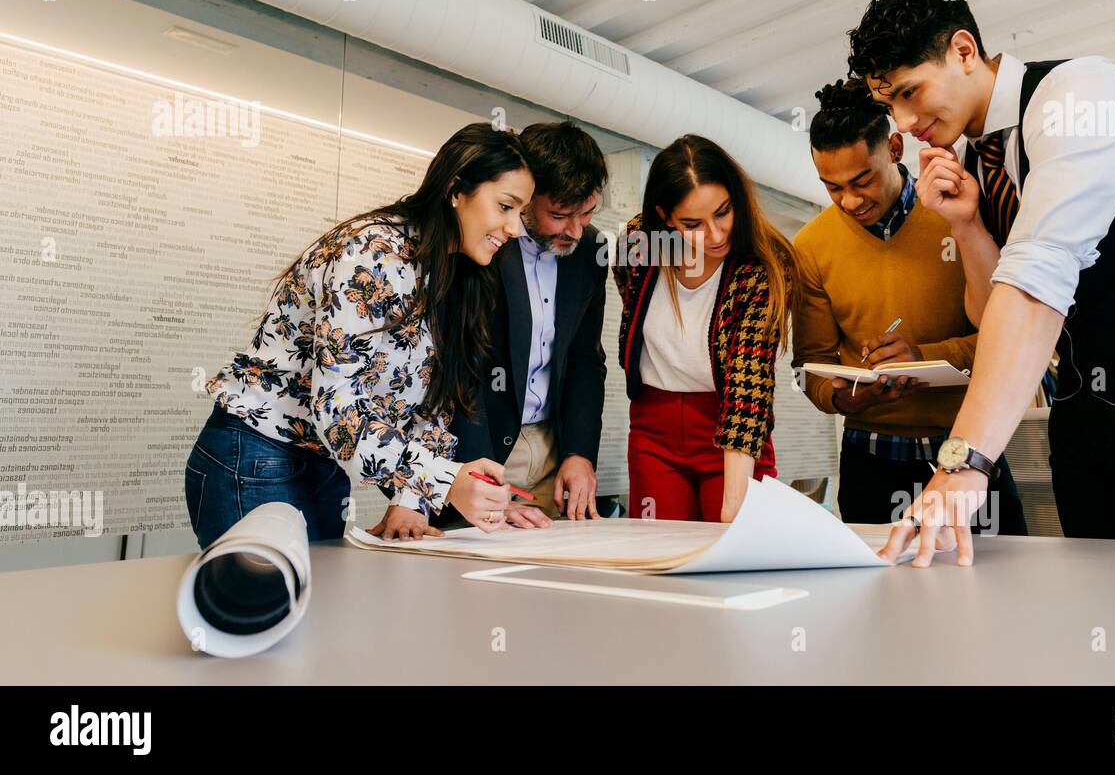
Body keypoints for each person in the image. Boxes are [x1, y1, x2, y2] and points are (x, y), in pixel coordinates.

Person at [845, 0, 1115, 566]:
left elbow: (1039, 280)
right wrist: (966, 227)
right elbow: (991, 312)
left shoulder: (1080, 95)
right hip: (1084, 410)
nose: (904, 119)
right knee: (1094, 598)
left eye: (911, 91)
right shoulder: (971, 159)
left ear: (964, 51)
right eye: (889, 103)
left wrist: (964, 462)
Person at [187, 123, 532, 547]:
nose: (515, 228)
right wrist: (442, 481)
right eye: (505, 206)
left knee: (322, 607)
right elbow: (339, 409)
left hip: (323, 467)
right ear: (457, 190)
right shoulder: (372, 253)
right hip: (258, 455)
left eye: (521, 213)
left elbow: (431, 401)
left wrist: (416, 496)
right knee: (267, 609)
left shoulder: (453, 271)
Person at [793, 78, 1026, 533]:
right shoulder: (811, 246)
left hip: (966, 453)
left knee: (1001, 591)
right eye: (832, 187)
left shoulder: (960, 212)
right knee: (881, 600)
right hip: (869, 466)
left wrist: (924, 358)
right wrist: (842, 394)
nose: (850, 201)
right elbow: (811, 365)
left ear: (895, 147)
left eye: (862, 180)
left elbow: (1008, 336)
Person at [612, 135, 800, 523]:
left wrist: (735, 500)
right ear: (665, 217)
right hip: (652, 430)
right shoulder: (638, 244)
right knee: (661, 560)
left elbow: (750, 381)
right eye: (692, 224)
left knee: (737, 551)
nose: (715, 235)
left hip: (732, 429)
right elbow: (633, 307)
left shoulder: (763, 266)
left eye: (723, 212)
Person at [450, 120, 610, 529]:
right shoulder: (482, 241)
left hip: (552, 451)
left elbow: (585, 360)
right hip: (484, 445)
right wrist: (476, 471)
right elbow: (462, 367)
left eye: (587, 213)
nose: (575, 230)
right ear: (526, 194)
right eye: (559, 215)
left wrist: (580, 452)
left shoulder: (591, 249)